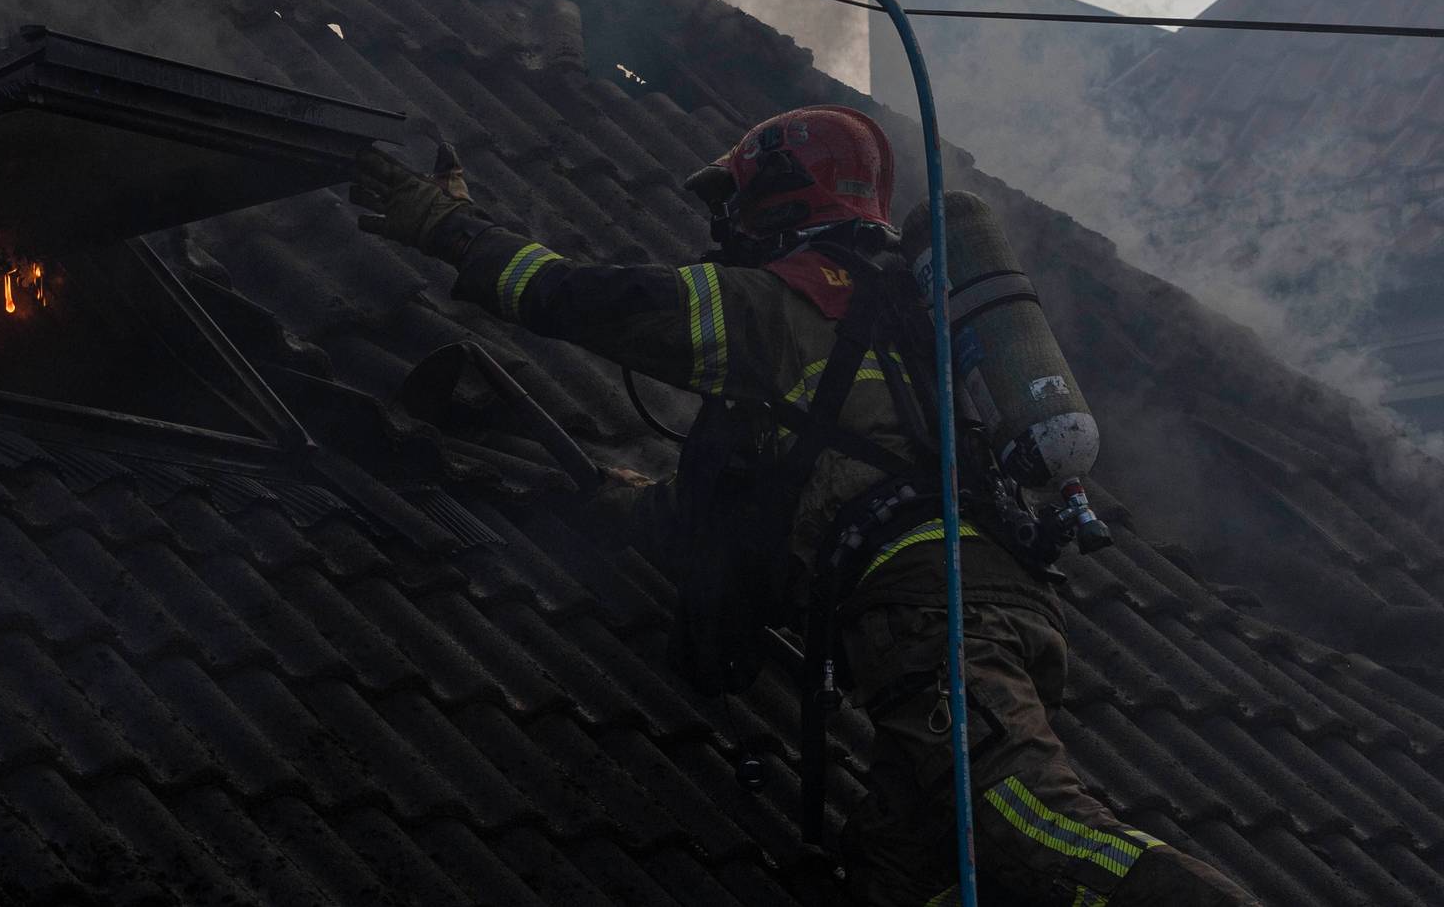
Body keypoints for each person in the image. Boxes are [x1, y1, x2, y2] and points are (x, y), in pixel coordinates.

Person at [350, 107, 1255, 906]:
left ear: (779, 195)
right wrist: (633, 504)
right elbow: (777, 495)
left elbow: (581, 299)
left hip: (926, 614)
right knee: (906, 876)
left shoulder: (777, 304)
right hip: (990, 595)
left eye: (735, 203)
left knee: (1022, 815)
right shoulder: (912, 310)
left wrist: (450, 229)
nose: (726, 225)